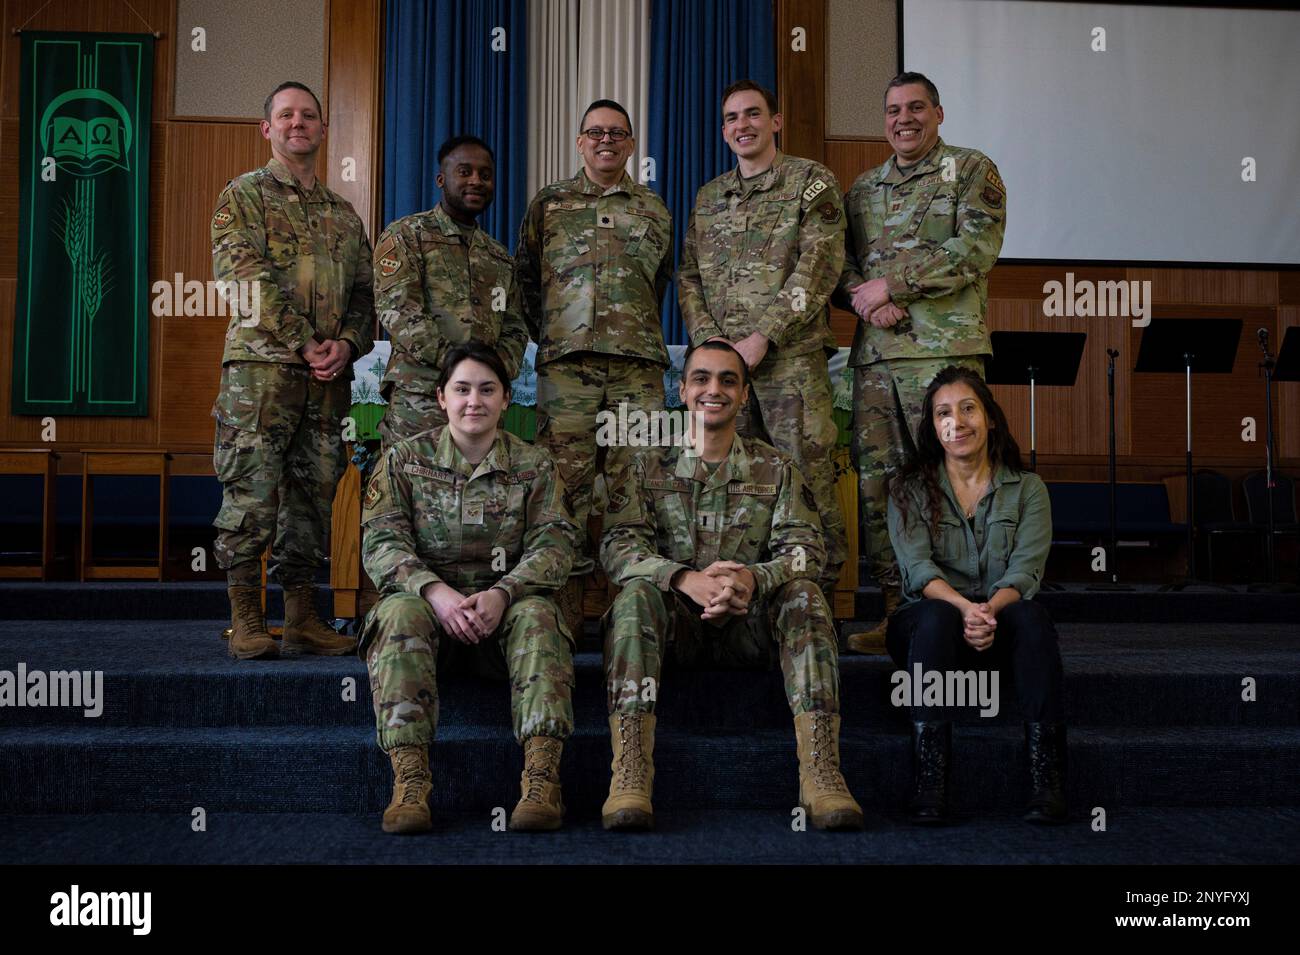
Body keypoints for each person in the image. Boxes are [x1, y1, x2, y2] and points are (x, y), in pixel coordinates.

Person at [599, 340, 863, 832]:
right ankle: (630, 770)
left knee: (805, 595)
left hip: (749, 626)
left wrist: (750, 578)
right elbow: (618, 548)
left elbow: (806, 549)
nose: (713, 390)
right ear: (681, 390)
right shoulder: (644, 466)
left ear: (744, 395)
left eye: (727, 380)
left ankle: (821, 770)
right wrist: (683, 579)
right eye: (701, 378)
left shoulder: (776, 467)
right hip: (675, 626)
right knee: (634, 597)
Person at [358, 342, 579, 834]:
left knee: (540, 614)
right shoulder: (403, 461)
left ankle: (542, 779)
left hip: (504, 624)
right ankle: (410, 781)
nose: (473, 401)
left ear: (505, 400)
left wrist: (506, 592)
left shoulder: (534, 465)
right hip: (429, 624)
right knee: (397, 613)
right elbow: (382, 543)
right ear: (441, 398)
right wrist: (435, 592)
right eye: (461, 389)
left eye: (487, 389)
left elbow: (557, 545)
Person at [834, 72, 1006, 654]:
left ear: (938, 112)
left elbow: (975, 251)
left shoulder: (972, 170)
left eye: (915, 108)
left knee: (957, 484)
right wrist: (867, 298)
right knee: (884, 490)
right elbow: (840, 265)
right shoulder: (862, 189)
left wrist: (893, 285)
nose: (902, 119)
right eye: (892, 110)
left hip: (946, 356)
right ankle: (897, 616)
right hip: (878, 362)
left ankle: (969, 613)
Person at [210, 81, 375, 660]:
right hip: (262, 375)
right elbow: (243, 281)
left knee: (314, 496)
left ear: (323, 130)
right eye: (286, 115)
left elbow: (365, 296)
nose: (298, 123)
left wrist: (348, 344)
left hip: (327, 381)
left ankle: (302, 617)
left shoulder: (345, 215)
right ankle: (247, 619)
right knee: (251, 495)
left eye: (308, 115)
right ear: (268, 128)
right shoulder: (244, 196)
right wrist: (307, 343)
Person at [678, 79, 849, 596]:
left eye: (753, 114)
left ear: (775, 121)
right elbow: (688, 275)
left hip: (789, 363)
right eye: (731, 118)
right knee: (736, 481)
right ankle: (738, 591)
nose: (742, 126)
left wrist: (762, 338)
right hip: (723, 373)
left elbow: (820, 266)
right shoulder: (710, 197)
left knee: (807, 476)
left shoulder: (810, 182)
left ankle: (820, 598)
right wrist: (712, 346)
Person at [513, 98, 673, 631]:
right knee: (563, 486)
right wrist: (556, 332)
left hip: (637, 368)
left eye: (618, 133)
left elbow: (661, 283)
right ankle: (562, 604)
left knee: (638, 483)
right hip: (568, 368)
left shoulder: (654, 208)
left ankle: (631, 605)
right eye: (596, 132)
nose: (606, 141)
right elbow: (527, 281)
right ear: (580, 141)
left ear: (630, 143)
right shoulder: (549, 204)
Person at [886, 365, 1065, 825]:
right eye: (944, 412)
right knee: (935, 617)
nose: (957, 421)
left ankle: (1047, 782)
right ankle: (930, 782)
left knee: (1031, 618)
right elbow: (918, 571)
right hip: (929, 629)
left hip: (998, 622)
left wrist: (988, 612)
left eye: (968, 408)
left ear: (989, 418)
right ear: (933, 427)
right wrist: (966, 609)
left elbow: (1027, 570)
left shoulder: (1028, 489)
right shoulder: (908, 489)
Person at [372, 135, 528, 447]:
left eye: (485, 175)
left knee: (480, 491)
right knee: (412, 491)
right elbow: (400, 311)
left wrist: (494, 371)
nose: (476, 181)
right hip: (422, 399)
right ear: (441, 180)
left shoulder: (498, 256)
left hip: (481, 403)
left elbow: (515, 325)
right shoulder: (407, 236)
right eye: (465, 172)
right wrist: (460, 367)